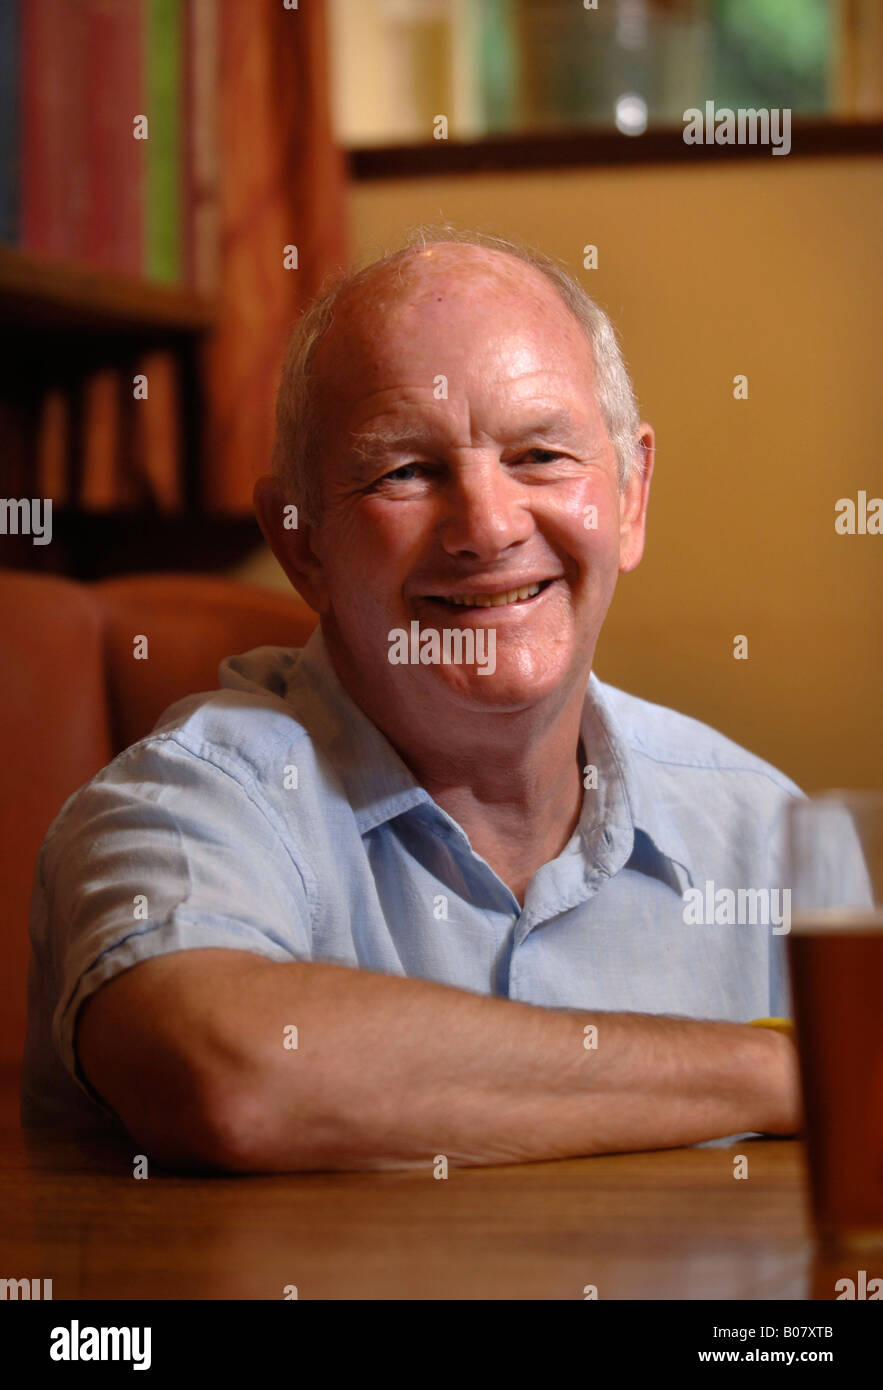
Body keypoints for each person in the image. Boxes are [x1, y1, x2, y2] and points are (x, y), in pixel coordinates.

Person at [22, 228, 803, 1170]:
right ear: (302, 542)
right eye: (405, 471)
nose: (486, 526)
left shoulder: (766, 829)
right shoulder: (175, 809)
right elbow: (229, 1075)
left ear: (631, 497)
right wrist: (785, 1070)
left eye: (541, 454)